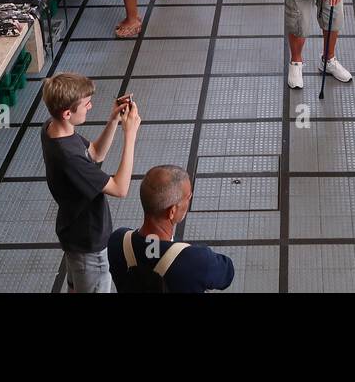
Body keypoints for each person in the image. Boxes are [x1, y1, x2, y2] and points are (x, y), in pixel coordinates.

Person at [41, 74, 141, 294]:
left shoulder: (52, 127)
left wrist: (114, 120)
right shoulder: (69, 157)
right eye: (86, 104)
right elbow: (120, 188)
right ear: (67, 113)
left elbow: (95, 153)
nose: (90, 106)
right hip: (89, 245)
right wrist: (130, 135)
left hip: (73, 232)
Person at [107, 165, 235, 293]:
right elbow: (227, 273)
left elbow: (152, 250)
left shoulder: (118, 241)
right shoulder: (197, 260)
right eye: (188, 197)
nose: (189, 200)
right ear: (172, 212)